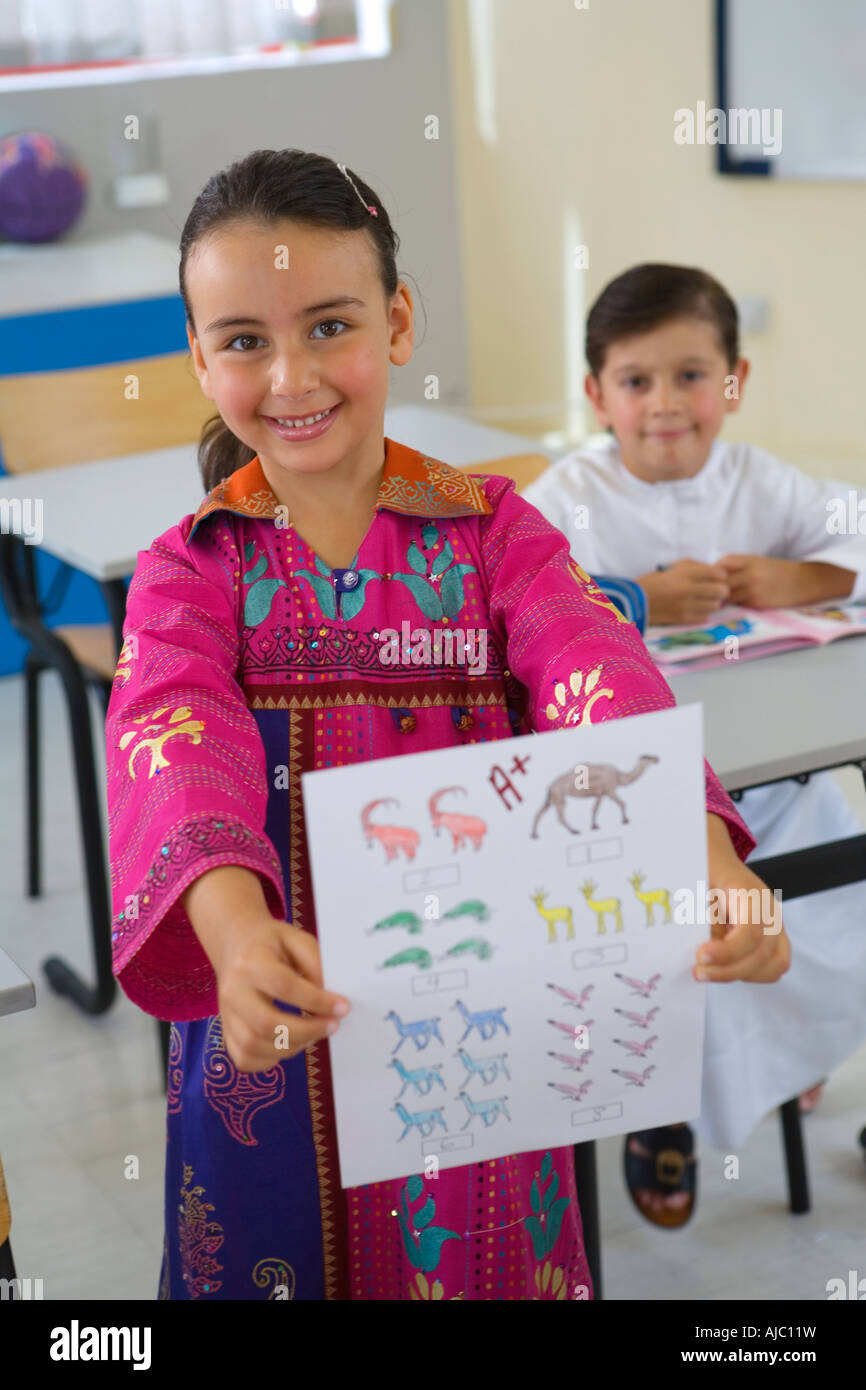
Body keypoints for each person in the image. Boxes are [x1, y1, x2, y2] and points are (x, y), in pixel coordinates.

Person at [105, 162, 788, 1299]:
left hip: (477, 1035)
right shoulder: (192, 571)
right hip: (273, 1031)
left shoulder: (492, 535)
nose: (291, 377)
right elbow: (174, 748)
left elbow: (595, 675)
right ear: (196, 356)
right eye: (242, 341)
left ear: (400, 318)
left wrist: (704, 857)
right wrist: (232, 936)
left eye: (331, 326)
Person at [523, 261, 866, 1227]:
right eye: (637, 381)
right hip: (629, 801)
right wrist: (639, 599)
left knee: (840, 889)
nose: (667, 406)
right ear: (596, 395)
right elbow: (518, 614)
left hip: (775, 785)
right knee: (672, 941)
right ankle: (657, 1110)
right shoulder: (564, 498)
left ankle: (793, 1060)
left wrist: (808, 577)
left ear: (735, 383)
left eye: (691, 376)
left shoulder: (759, 479)